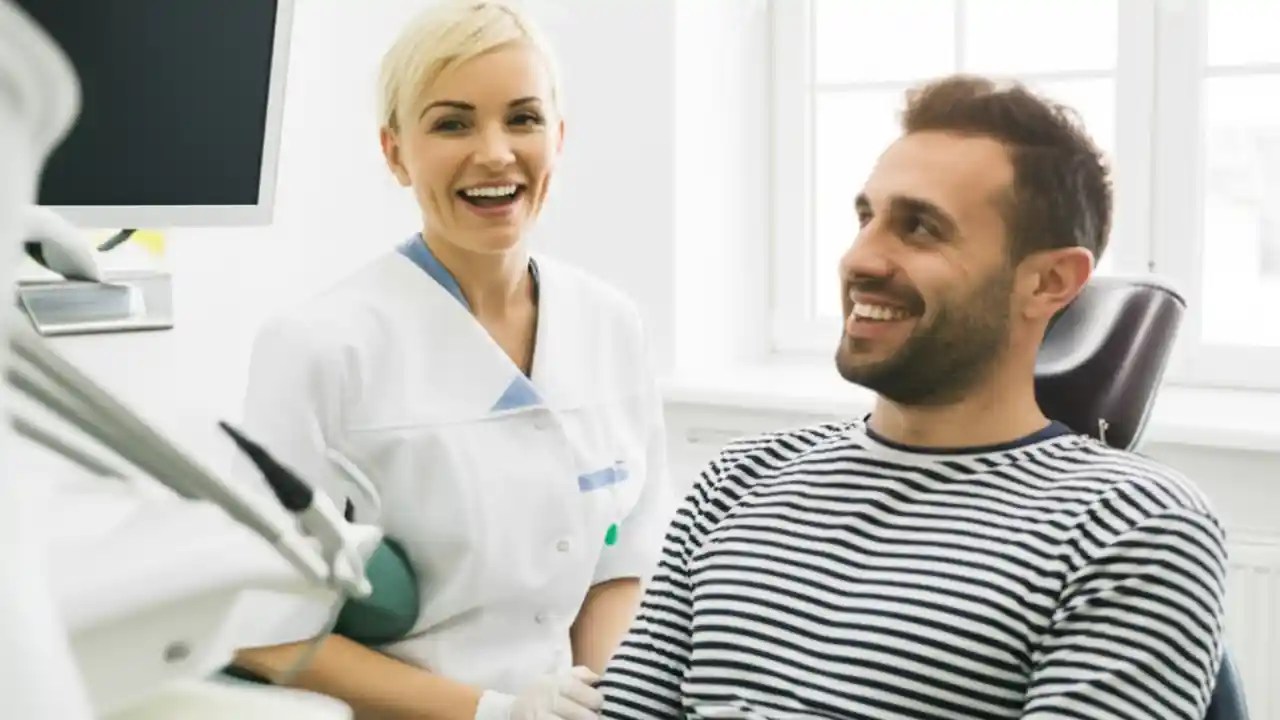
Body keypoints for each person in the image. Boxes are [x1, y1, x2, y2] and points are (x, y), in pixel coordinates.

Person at [598, 75, 1227, 719]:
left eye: (921, 228)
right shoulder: (739, 479)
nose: (860, 259)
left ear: (1047, 281)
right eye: (866, 217)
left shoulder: (1131, 526)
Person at [230, 2, 674, 718]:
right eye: (452, 122)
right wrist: (494, 712)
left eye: (523, 119)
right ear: (395, 151)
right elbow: (264, 634)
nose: (495, 152)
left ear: (558, 138)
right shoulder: (319, 346)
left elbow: (618, 571)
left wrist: (609, 702)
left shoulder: (614, 327)